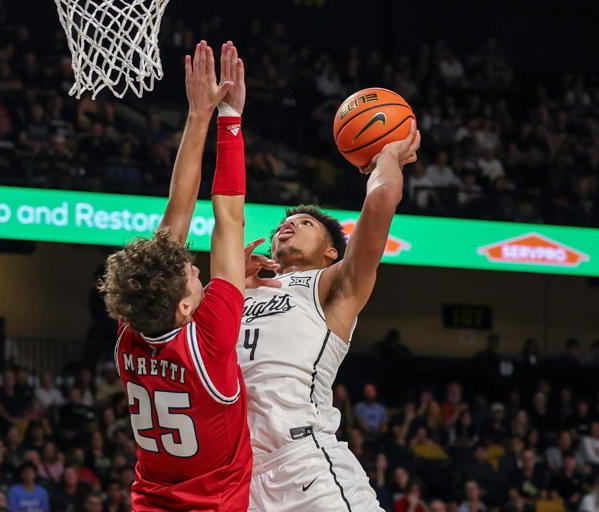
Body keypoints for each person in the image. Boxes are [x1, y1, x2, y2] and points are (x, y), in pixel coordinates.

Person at [231, 117, 419, 509]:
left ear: (331, 252)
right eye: (285, 222)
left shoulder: (333, 284)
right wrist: (231, 286)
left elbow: (381, 199)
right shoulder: (238, 292)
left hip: (306, 464)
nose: (289, 225)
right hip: (239, 475)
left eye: (304, 223)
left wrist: (387, 155)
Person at [100, 41, 252, 511]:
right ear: (187, 307)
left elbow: (192, 214)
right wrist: (222, 117)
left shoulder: (136, 332)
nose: (194, 266)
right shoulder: (199, 337)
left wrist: (208, 116)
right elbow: (220, 217)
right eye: (191, 274)